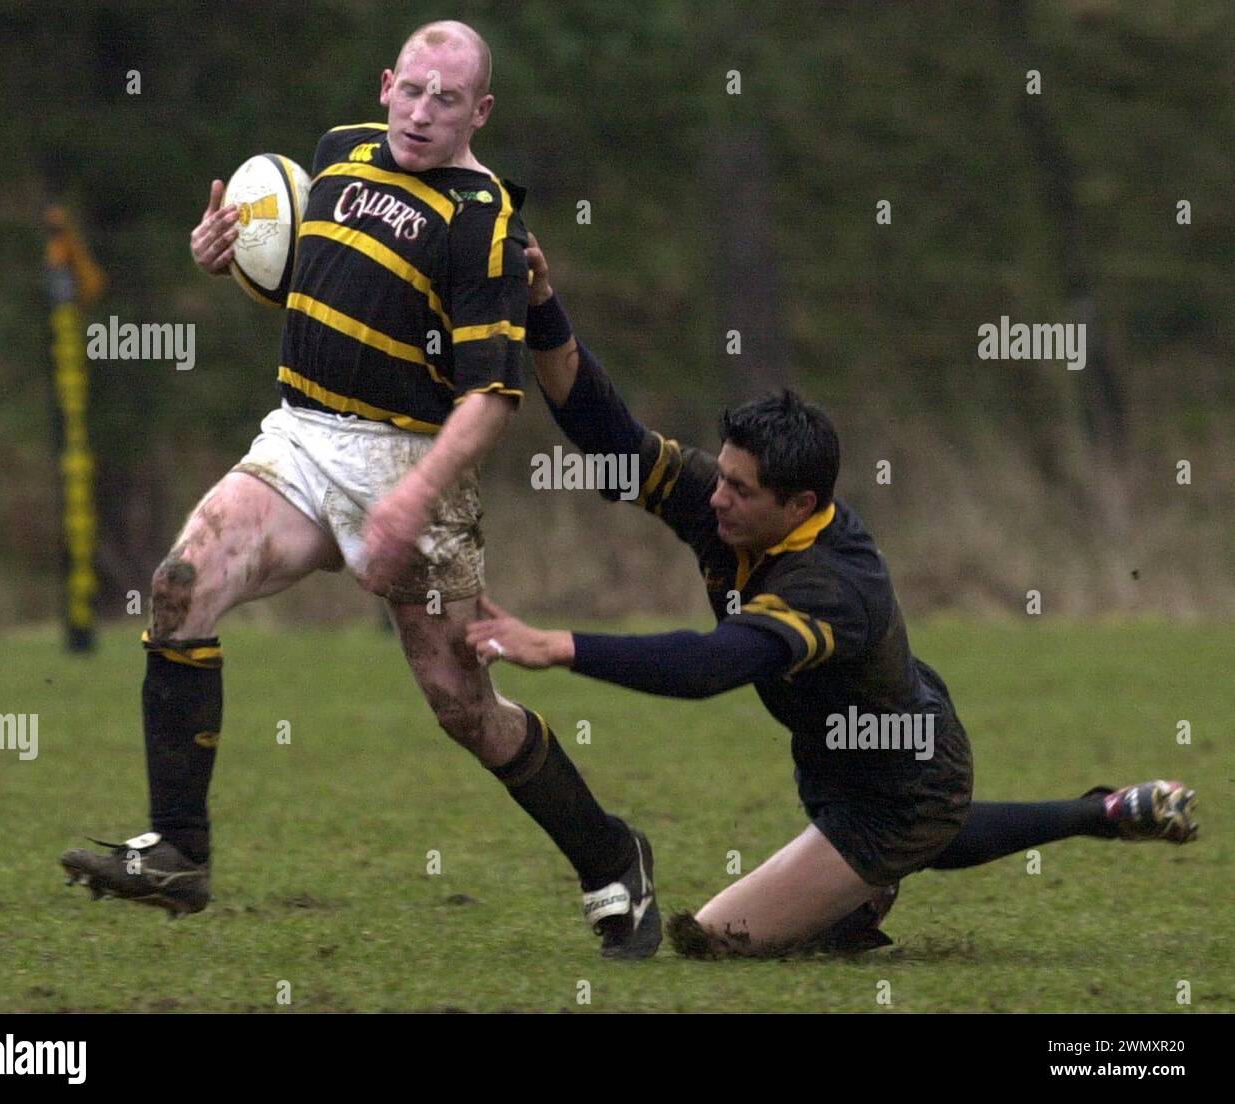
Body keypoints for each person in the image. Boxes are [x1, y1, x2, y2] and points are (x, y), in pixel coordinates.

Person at [60, 22, 659, 960]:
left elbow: (491, 397)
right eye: (412, 90)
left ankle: (612, 856)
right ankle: (179, 849)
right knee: (181, 586)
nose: (423, 113)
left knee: (462, 706)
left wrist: (411, 500)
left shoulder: (486, 222)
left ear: (481, 112)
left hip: (413, 462)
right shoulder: (336, 155)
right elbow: (317, 282)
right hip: (301, 437)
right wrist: (225, 256)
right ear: (386, 85)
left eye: (447, 99)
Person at [463, 236, 1199, 957]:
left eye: (738, 490)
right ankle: (1100, 811)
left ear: (799, 502)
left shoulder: (831, 587)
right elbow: (609, 438)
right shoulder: (732, 508)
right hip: (838, 758)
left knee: (713, 939)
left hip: (904, 782)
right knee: (924, 842)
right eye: (720, 477)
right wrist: (541, 304)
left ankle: (883, 883)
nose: (714, 499)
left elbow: (710, 666)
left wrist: (558, 646)